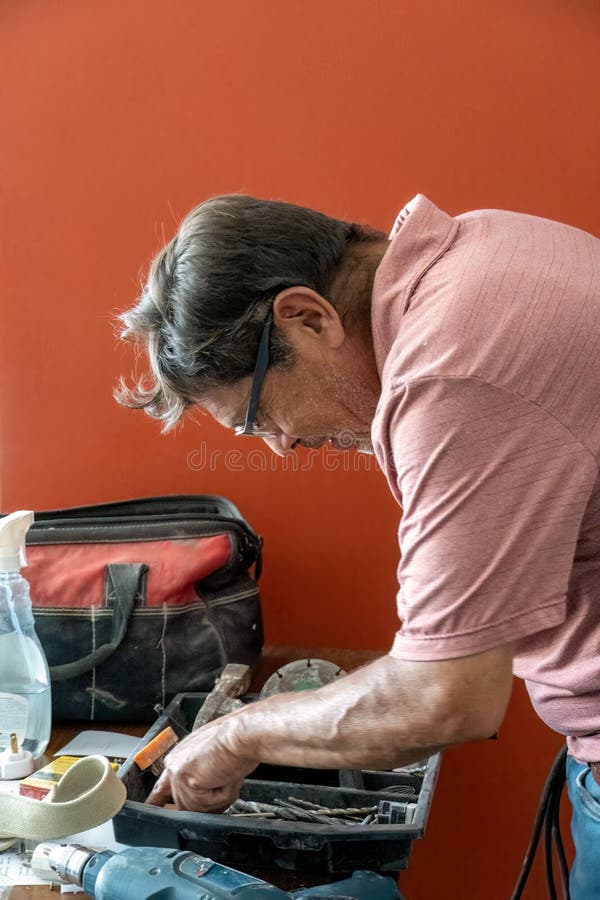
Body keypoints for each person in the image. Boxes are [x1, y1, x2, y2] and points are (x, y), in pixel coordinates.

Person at [116, 193, 600, 897]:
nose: (284, 447)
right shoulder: (491, 243)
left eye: (257, 417)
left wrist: (235, 736)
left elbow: (444, 699)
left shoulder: (453, 369)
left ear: (306, 316)